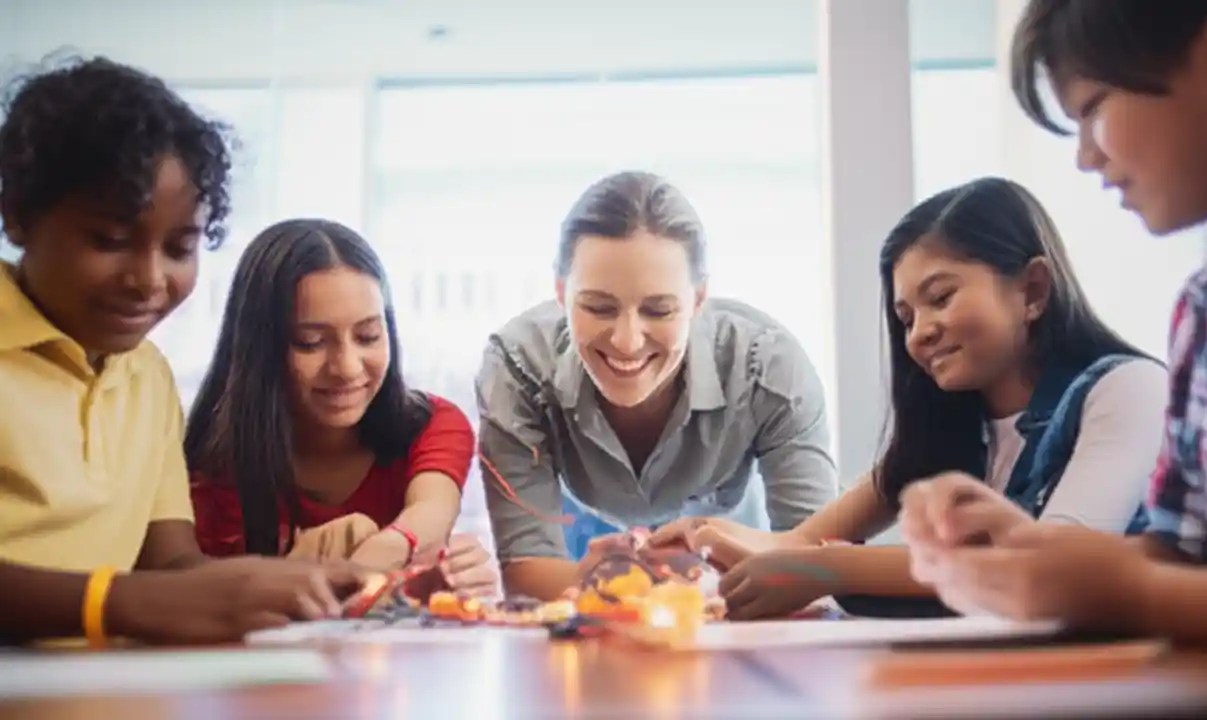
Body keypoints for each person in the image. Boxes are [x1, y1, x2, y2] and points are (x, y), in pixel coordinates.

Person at [899, 0, 1207, 649]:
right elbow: (1183, 554)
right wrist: (1024, 550)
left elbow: (1160, 584)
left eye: (1093, 108)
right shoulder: (1204, 311)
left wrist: (1133, 594)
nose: (1084, 157)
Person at [652, 177, 1167, 619]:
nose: (918, 333)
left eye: (940, 298)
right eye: (905, 318)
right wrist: (701, 536)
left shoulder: (1128, 390)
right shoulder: (943, 432)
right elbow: (796, 545)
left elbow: (1051, 565)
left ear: (1032, 290)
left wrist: (828, 568)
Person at [0, 57, 362, 646]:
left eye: (178, 247)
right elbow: (140, 597)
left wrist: (277, 582)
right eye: (110, 241)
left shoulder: (147, 375)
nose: (148, 279)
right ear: (17, 215)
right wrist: (113, 602)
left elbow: (171, 567)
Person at [476, 170, 838, 600]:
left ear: (698, 300)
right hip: (580, 535)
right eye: (598, 307)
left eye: (660, 310)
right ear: (560, 292)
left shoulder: (769, 368)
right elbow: (526, 574)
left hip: (736, 542)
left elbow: (818, 561)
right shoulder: (518, 366)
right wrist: (584, 580)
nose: (626, 341)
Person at [186, 219, 497, 595]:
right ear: (259, 349)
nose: (347, 368)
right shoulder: (213, 470)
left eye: (368, 336)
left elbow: (431, 513)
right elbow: (201, 606)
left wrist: (389, 555)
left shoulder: (431, 423)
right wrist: (295, 575)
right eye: (311, 342)